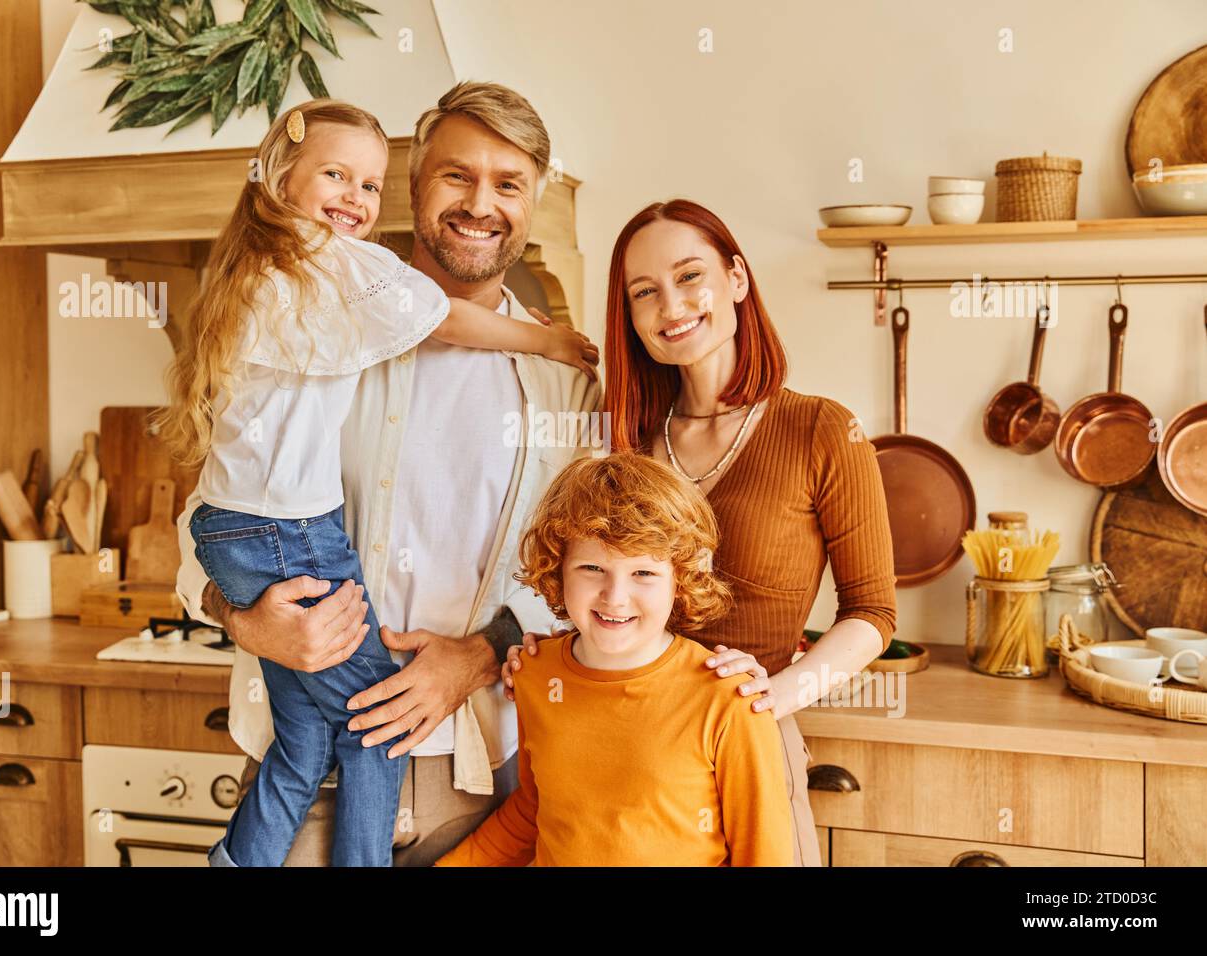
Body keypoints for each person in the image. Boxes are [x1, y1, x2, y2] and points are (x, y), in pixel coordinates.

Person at [156, 99, 596, 867]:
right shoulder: (311, 320)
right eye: (455, 176)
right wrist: (241, 617)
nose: (480, 205)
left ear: (535, 201)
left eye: (509, 184)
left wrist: (481, 654)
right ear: (414, 186)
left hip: (475, 778)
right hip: (303, 774)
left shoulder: (569, 385)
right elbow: (212, 512)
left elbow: (581, 575)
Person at [506, 198, 897, 866]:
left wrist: (776, 695)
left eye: (690, 277)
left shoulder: (823, 430)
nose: (671, 305)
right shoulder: (621, 440)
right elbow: (600, 585)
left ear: (737, 280)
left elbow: (874, 612)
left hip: (749, 745)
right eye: (644, 292)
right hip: (625, 754)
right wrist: (549, 653)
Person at [437, 453, 793, 866]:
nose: (615, 596)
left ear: (680, 581)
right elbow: (534, 812)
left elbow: (764, 853)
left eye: (643, 573)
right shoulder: (534, 673)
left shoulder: (731, 698)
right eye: (592, 567)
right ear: (557, 570)